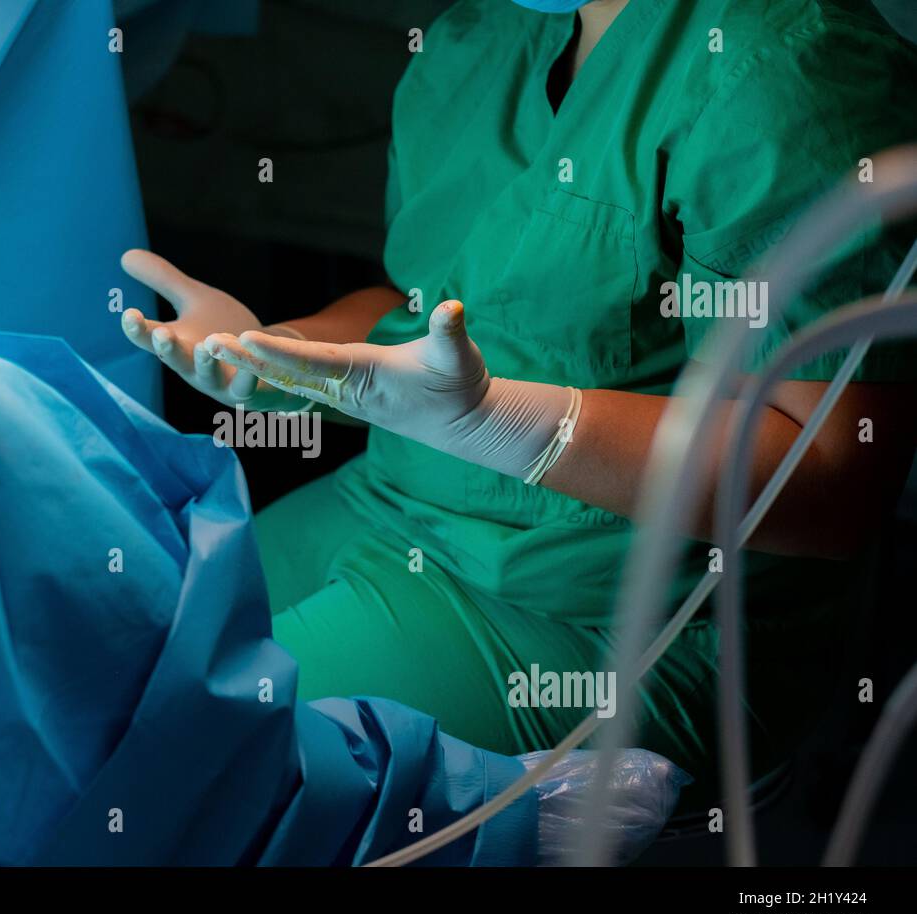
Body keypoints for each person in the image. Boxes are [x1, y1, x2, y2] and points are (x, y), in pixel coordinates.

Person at [119, 0, 917, 797]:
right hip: (391, 502)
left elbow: (830, 480)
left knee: (182, 766)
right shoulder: (482, 35)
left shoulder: (785, 71)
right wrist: (280, 350)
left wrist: (508, 425)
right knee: (113, 656)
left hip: (609, 613)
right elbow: (420, 303)